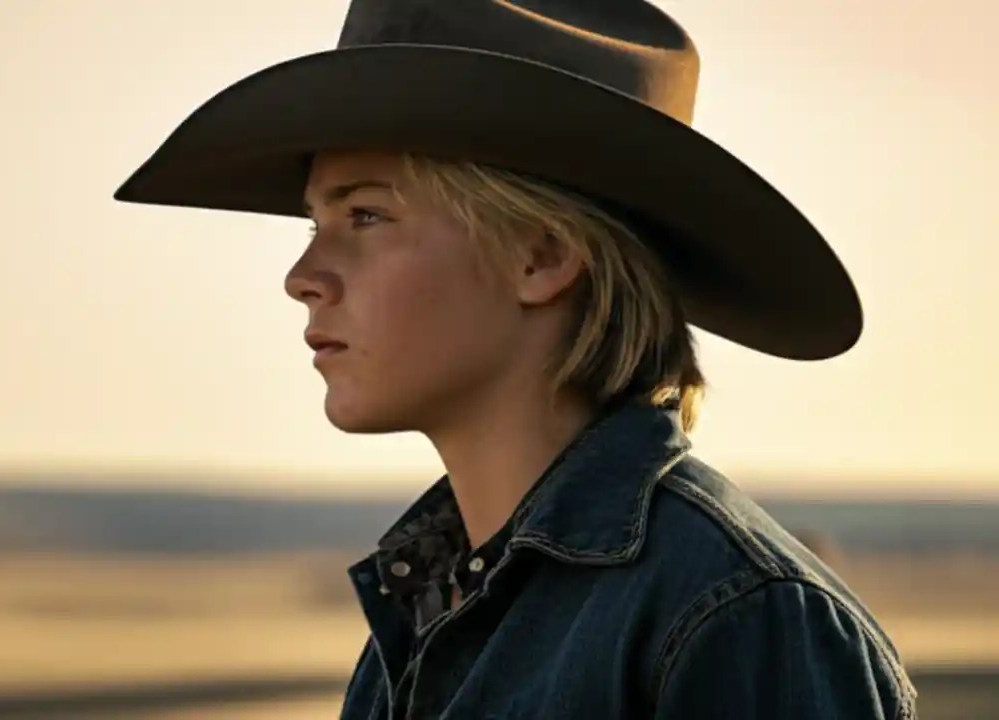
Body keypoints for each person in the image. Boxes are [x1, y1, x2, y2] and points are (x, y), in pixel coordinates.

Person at [114, 1, 918, 717]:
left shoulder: (736, 618)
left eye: (365, 215)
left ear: (540, 255)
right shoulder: (428, 607)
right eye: (311, 225)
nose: (303, 279)